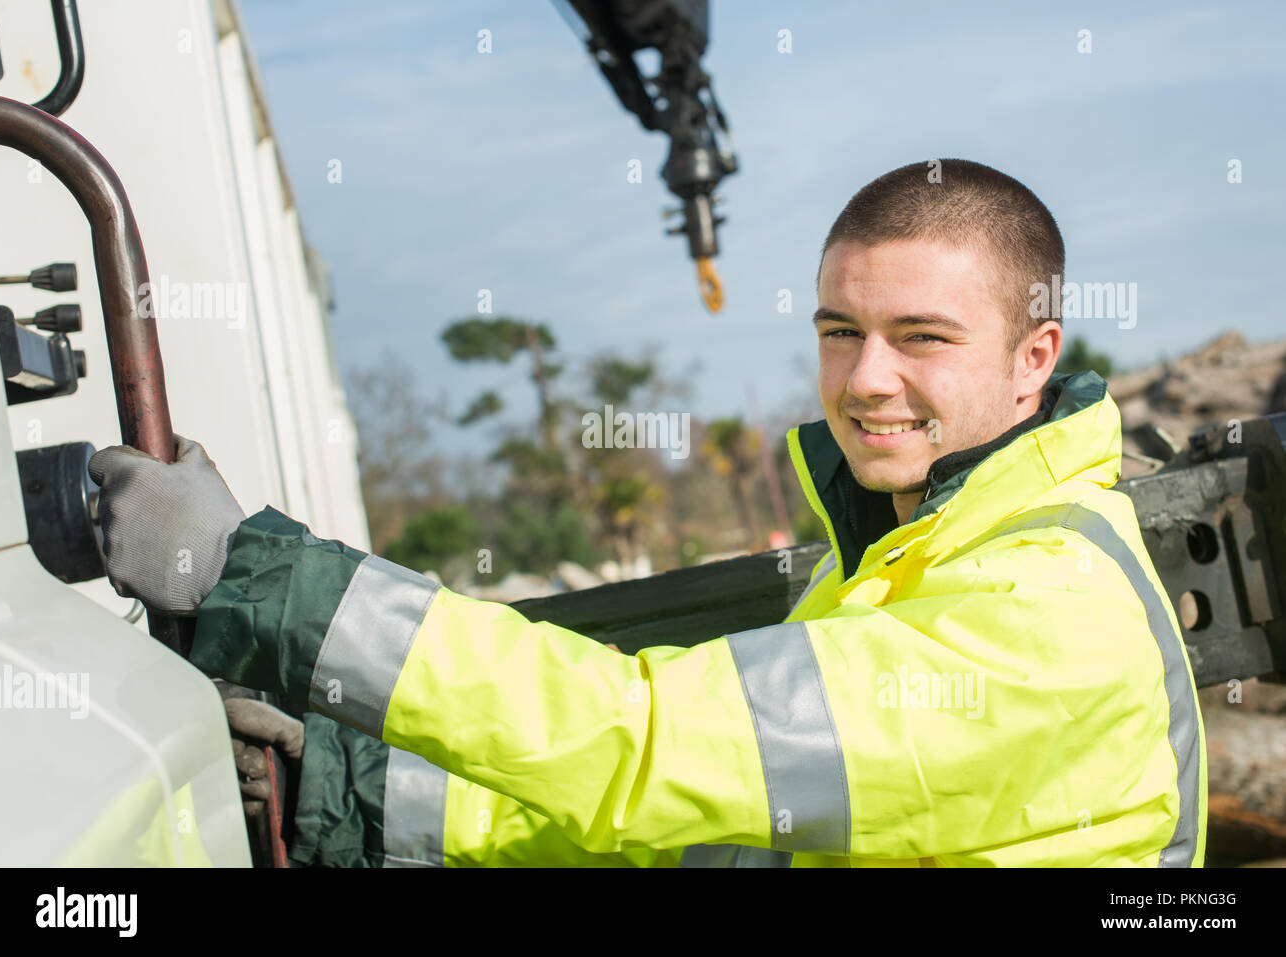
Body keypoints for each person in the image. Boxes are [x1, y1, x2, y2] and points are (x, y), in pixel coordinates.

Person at [88, 158, 1206, 867]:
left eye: (922, 337)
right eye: (836, 331)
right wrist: (356, 795)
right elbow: (705, 825)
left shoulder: (1044, 612)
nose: (864, 379)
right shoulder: (902, 560)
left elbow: (649, 744)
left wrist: (258, 578)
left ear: (1032, 361)